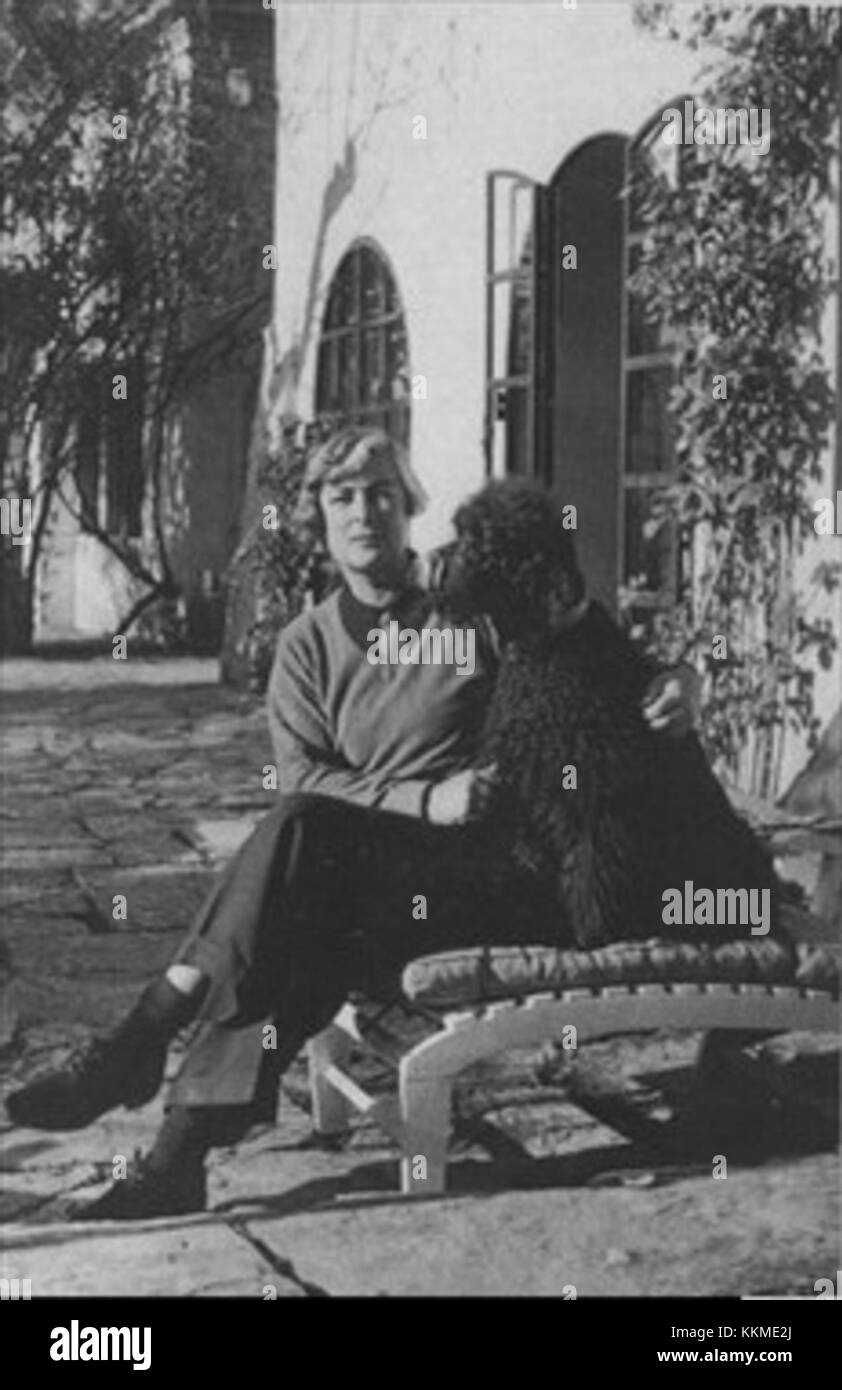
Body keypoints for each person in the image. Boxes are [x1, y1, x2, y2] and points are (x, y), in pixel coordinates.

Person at [4, 427, 700, 1219]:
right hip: (361, 880)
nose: (364, 511)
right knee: (302, 866)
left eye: (381, 494)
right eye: (343, 496)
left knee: (299, 863)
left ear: (408, 510)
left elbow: (590, 644)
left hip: (481, 875)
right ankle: (174, 1150)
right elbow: (302, 778)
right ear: (319, 520)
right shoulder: (304, 648)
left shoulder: (472, 607)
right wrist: (420, 799)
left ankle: (144, 1049)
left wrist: (681, 679)